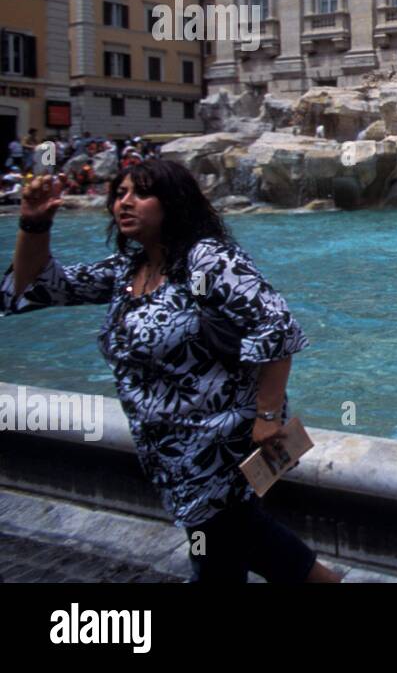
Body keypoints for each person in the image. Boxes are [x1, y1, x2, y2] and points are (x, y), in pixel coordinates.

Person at [1, 159, 339, 583]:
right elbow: (38, 287)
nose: (125, 203)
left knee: (227, 540)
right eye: (120, 193)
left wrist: (268, 415)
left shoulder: (207, 260)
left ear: (173, 203)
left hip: (217, 444)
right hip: (169, 450)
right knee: (233, 544)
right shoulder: (128, 270)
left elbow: (275, 324)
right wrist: (33, 225)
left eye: (140, 194)